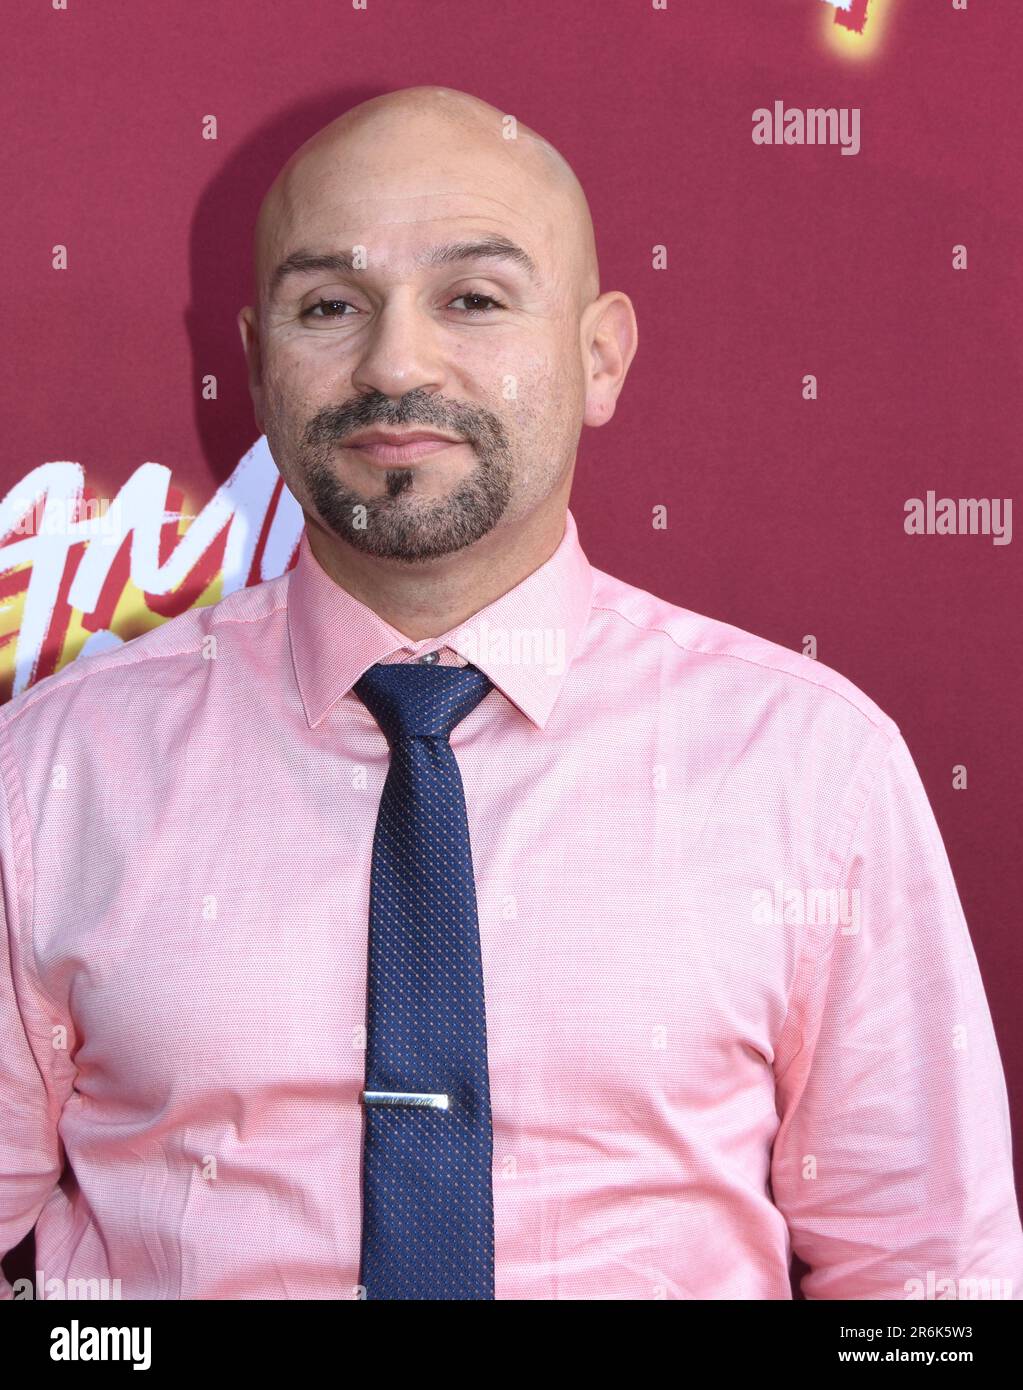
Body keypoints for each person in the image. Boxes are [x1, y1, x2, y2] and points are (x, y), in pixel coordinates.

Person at [2, 85, 1021, 1302]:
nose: (395, 362)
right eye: (330, 306)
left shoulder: (811, 767)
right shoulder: (59, 768)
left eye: (473, 300)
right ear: (257, 367)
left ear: (600, 357)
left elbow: (928, 1285)